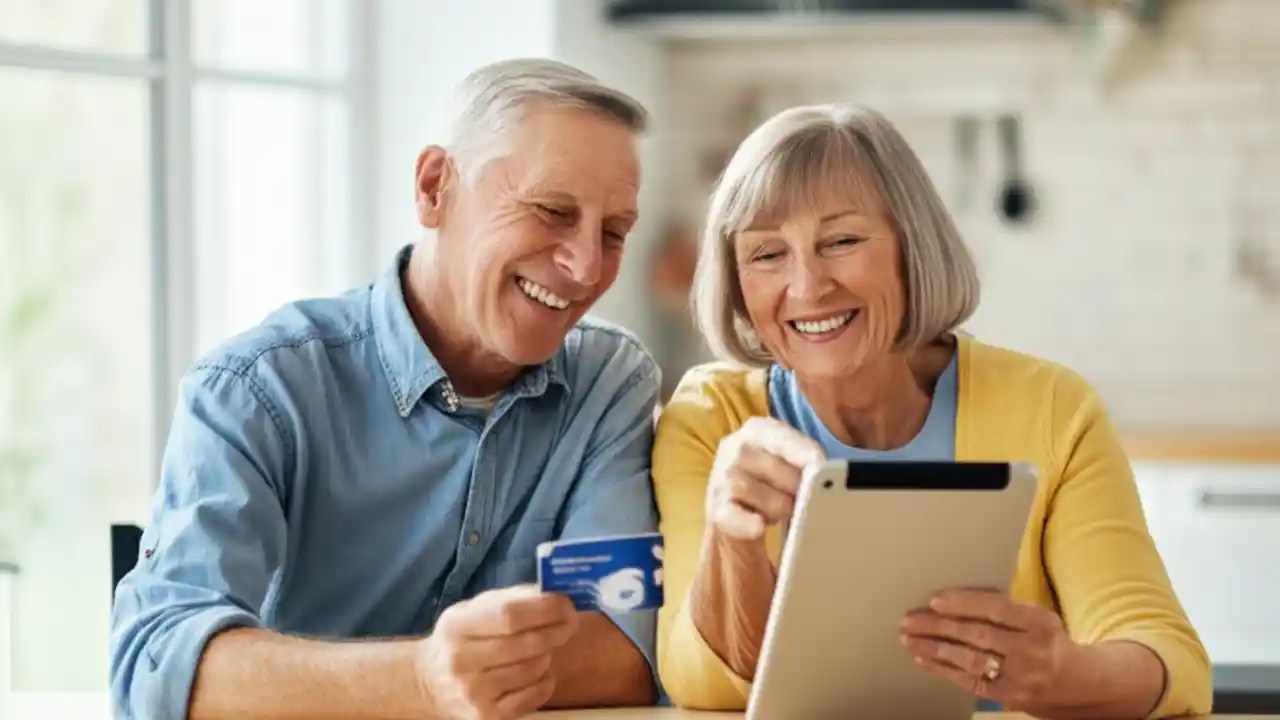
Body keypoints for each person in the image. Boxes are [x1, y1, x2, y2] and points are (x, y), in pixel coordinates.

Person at [111, 58, 661, 720]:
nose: (587, 265)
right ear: (434, 188)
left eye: (613, 232)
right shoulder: (259, 390)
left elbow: (627, 651)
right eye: (551, 211)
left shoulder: (610, 384)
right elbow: (160, 672)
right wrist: (423, 680)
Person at [652, 104, 1212, 718]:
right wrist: (733, 543)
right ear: (736, 280)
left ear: (910, 246)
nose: (808, 287)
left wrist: (1066, 674)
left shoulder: (1050, 408)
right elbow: (699, 685)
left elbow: (1171, 666)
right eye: (766, 255)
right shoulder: (710, 420)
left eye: (842, 241)